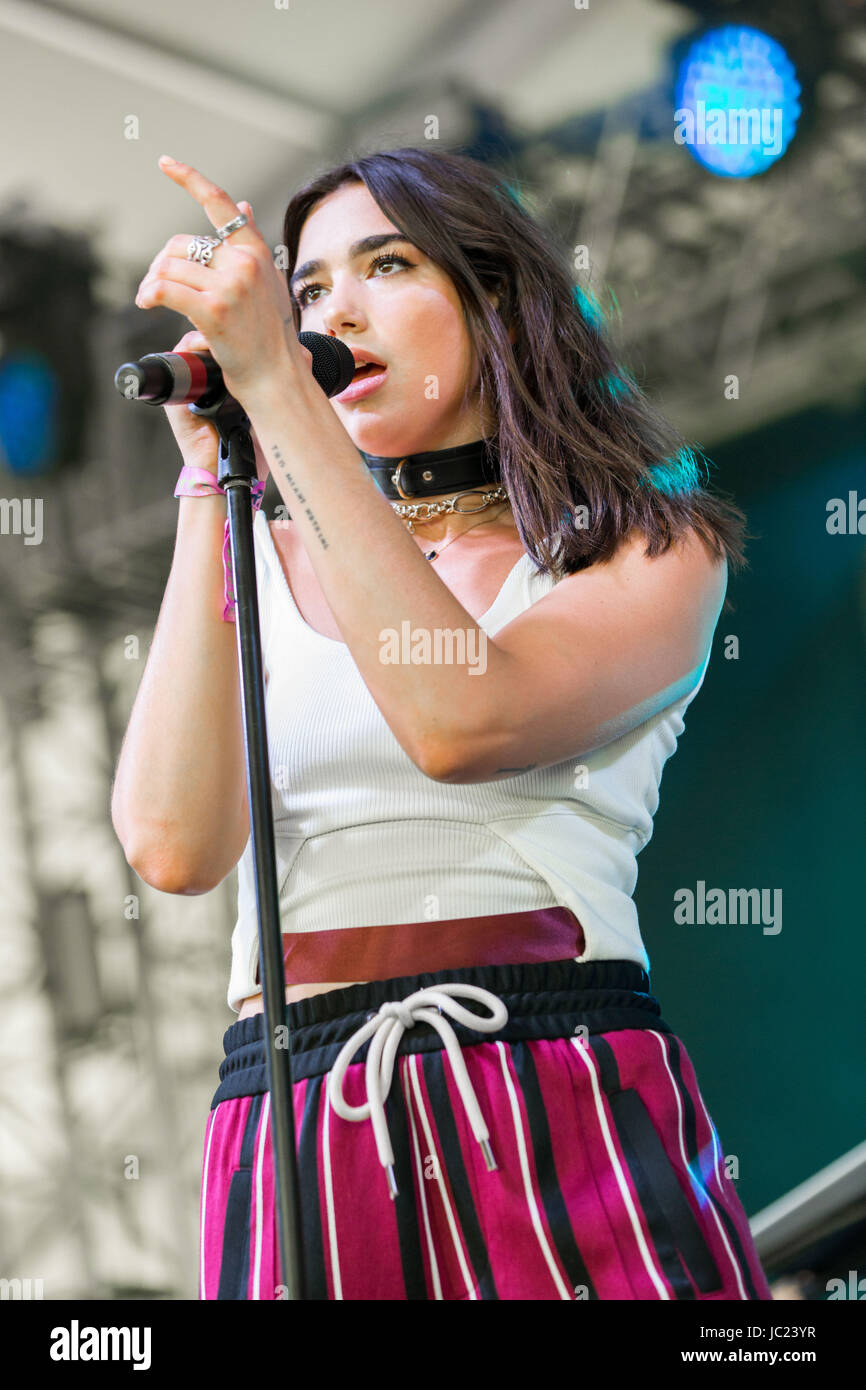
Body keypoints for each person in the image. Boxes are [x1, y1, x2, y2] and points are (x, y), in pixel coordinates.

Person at [111, 145, 773, 1301]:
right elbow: (171, 843)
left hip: (546, 1069)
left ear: (497, 303)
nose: (332, 313)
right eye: (306, 290)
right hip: (296, 1101)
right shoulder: (254, 553)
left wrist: (277, 389)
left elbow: (460, 719)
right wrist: (213, 477)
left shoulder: (646, 547)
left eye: (386, 264)